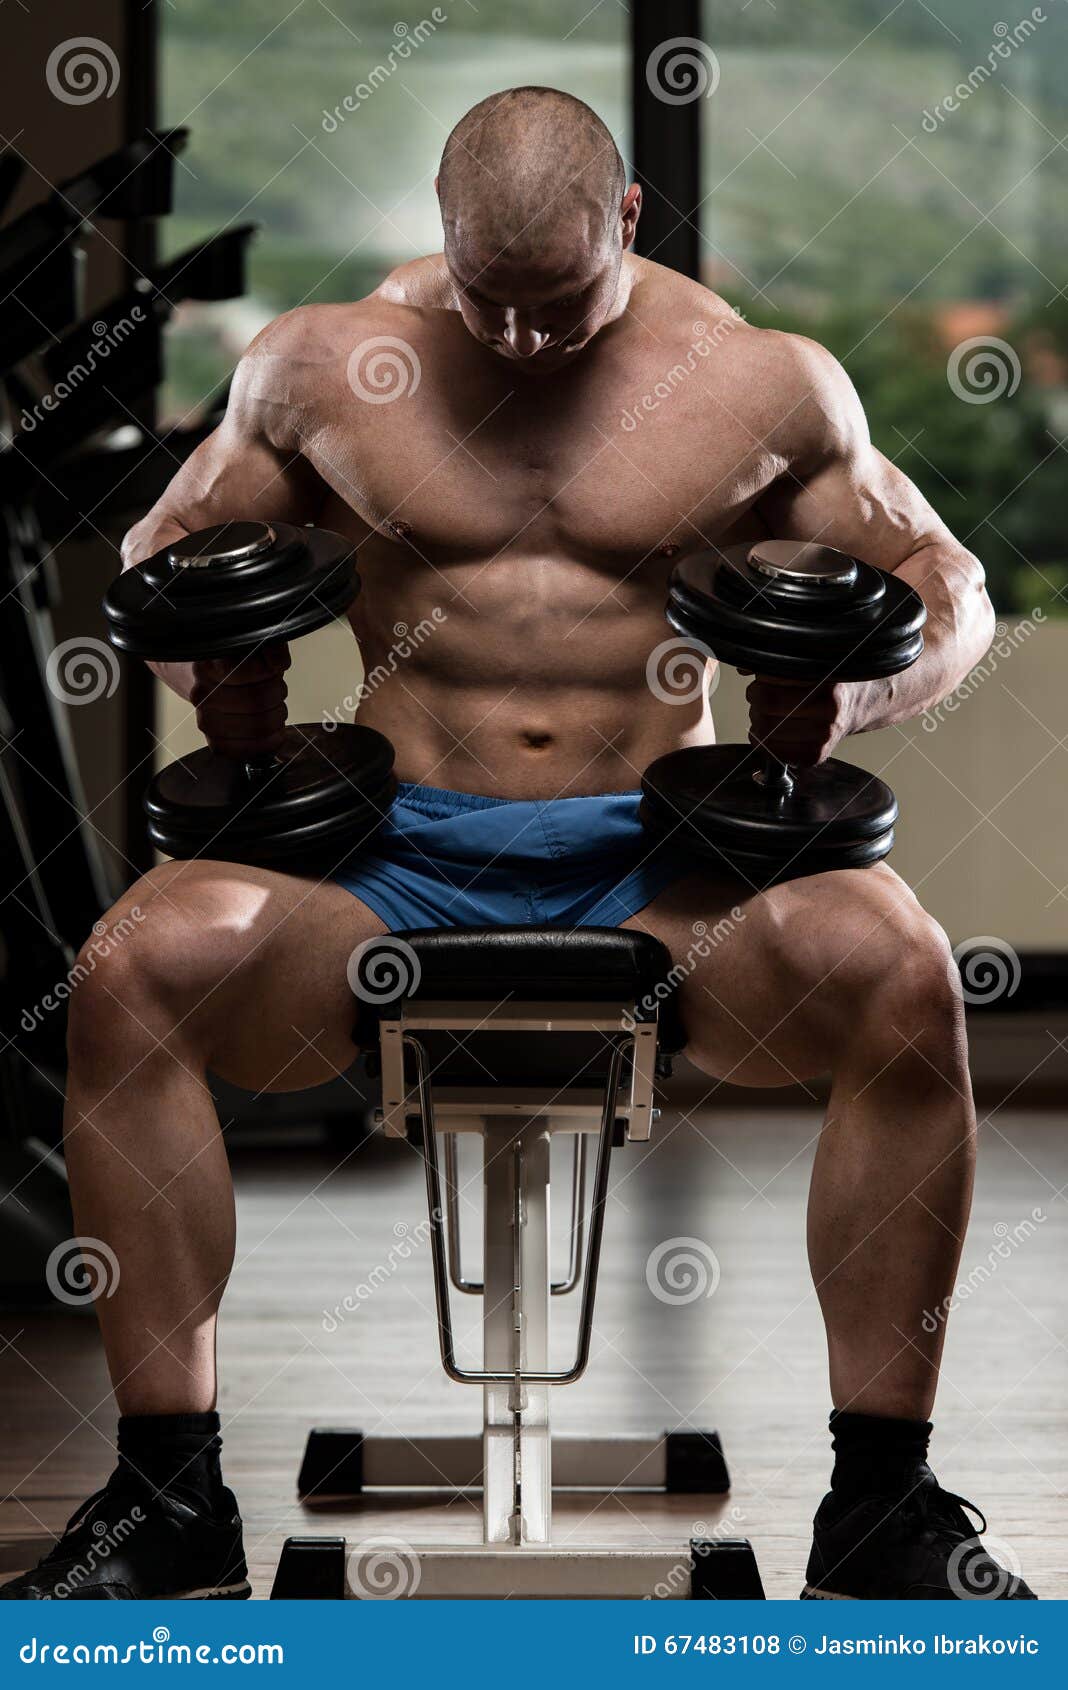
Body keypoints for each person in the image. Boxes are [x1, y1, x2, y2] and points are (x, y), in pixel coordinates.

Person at [2, 86, 1034, 1600]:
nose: (528, 344)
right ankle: (167, 1500)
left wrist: (866, 684)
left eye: (561, 305)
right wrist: (219, 673)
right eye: (494, 304)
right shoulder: (319, 369)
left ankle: (883, 1502)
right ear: (440, 232)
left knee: (908, 977)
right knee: (128, 971)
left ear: (625, 223)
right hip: (390, 845)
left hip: (664, 858)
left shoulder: (759, 386)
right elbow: (162, 555)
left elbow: (949, 579)